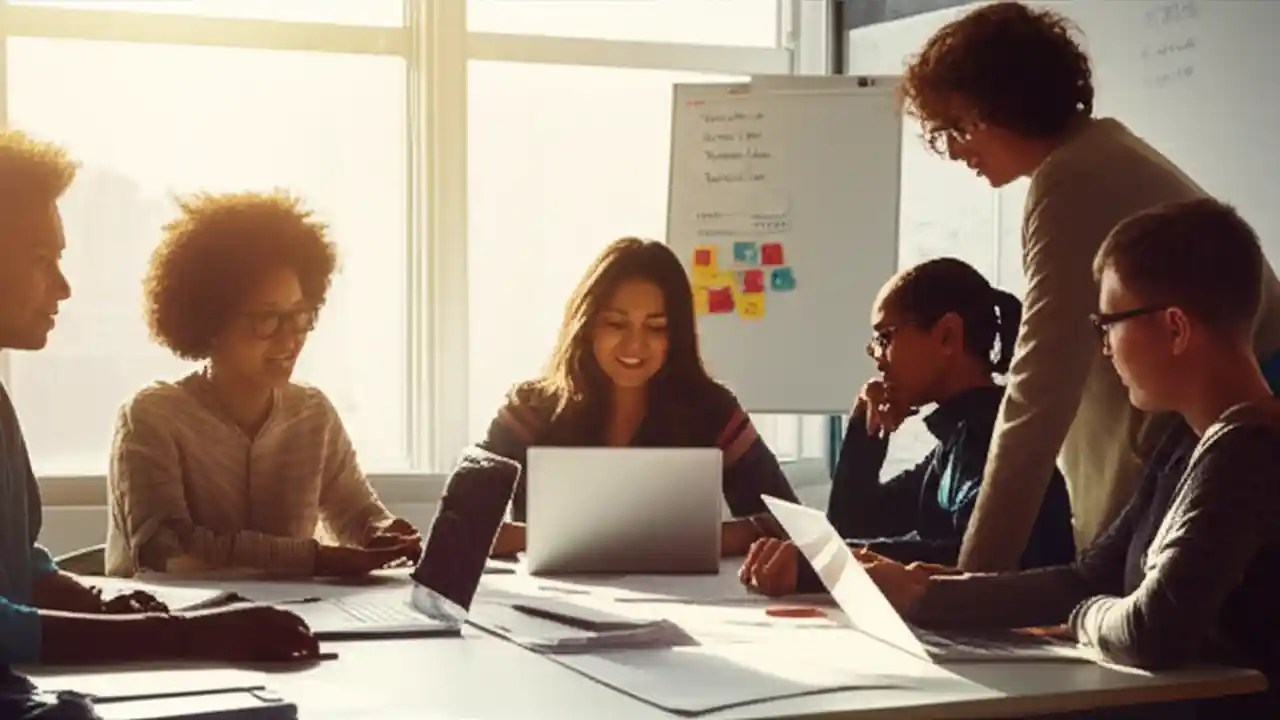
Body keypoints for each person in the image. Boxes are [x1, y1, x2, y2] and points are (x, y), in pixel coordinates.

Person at [758, 199, 1280, 716]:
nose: (1104, 349)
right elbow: (1089, 576)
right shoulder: (1187, 441)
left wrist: (1078, 619)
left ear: (1174, 329)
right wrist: (925, 594)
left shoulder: (1248, 452)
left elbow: (1151, 630)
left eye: (1108, 325)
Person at [897, 1, 1280, 570]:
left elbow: (1039, 391)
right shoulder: (1099, 150)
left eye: (958, 126)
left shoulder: (1071, 179)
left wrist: (973, 575)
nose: (954, 149)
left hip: (1216, 445)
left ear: (1005, 103)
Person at [0, 129, 318, 718]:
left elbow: (19, 567)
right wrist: (189, 635)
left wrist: (105, 605)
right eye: (42, 260)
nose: (64, 287)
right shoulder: (153, 414)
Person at [106, 191, 419, 578]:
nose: (290, 339)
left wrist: (387, 534)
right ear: (212, 321)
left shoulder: (313, 413)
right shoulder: (151, 417)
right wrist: (314, 559)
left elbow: (356, 513)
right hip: (169, 616)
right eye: (267, 319)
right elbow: (167, 551)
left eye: (300, 316)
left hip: (292, 613)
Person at [739, 258, 1074, 595]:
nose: (877, 357)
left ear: (947, 336)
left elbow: (967, 560)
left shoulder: (995, 441)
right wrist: (865, 426)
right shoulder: (957, 443)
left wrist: (820, 563)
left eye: (885, 337)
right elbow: (854, 523)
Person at [466, 237, 799, 558]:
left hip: (685, 596)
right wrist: (633, 542)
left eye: (656, 327)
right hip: (551, 595)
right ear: (587, 325)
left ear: (676, 335)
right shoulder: (531, 409)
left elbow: (789, 524)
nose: (634, 345)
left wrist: (687, 541)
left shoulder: (713, 410)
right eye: (615, 324)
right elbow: (461, 522)